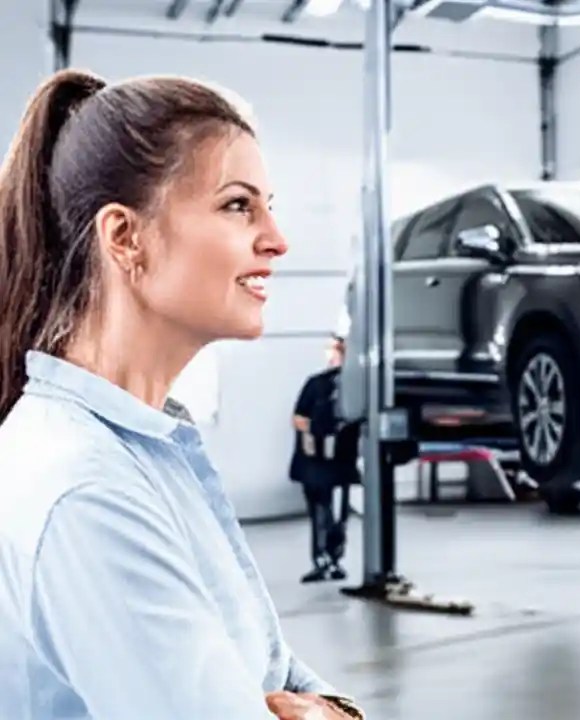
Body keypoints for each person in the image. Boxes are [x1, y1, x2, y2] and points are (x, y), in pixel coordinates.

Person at [0, 69, 362, 719]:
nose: (277, 240)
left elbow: (274, 670)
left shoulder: (146, 444)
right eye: (237, 205)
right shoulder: (86, 490)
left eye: (268, 205)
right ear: (125, 237)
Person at [290, 334, 359, 583]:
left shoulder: (355, 389)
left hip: (340, 463)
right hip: (314, 464)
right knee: (319, 511)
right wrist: (316, 431)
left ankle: (334, 558)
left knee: (339, 514)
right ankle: (321, 560)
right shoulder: (316, 384)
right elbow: (297, 417)